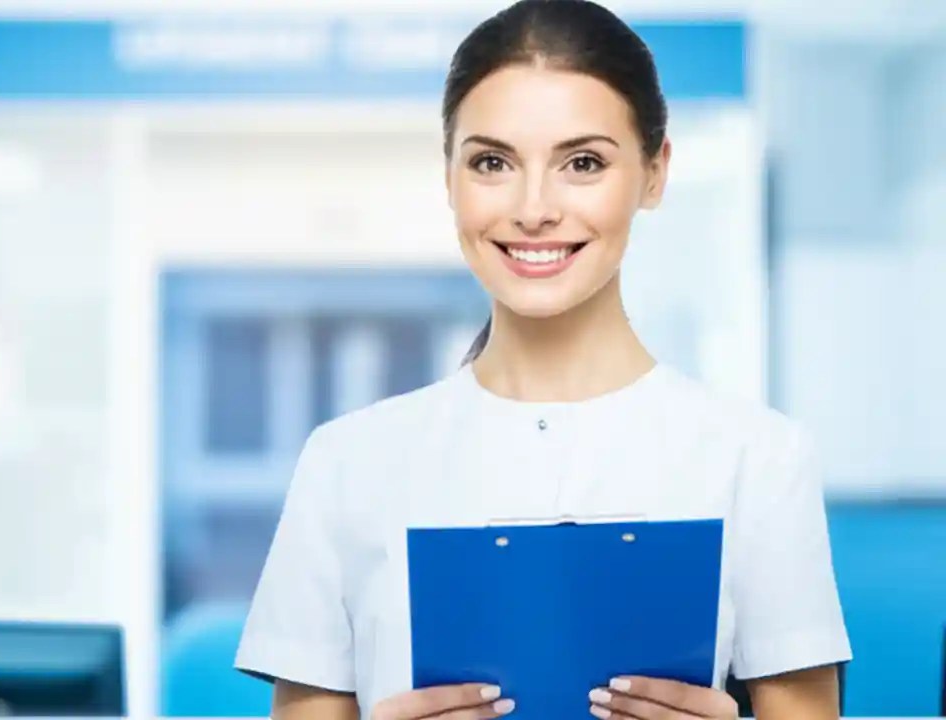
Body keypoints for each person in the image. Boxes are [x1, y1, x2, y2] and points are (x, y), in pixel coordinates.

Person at [233, 0, 852, 718]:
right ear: (449, 176)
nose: (534, 209)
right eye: (492, 162)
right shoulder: (346, 464)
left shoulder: (758, 458)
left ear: (655, 174)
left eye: (582, 163)